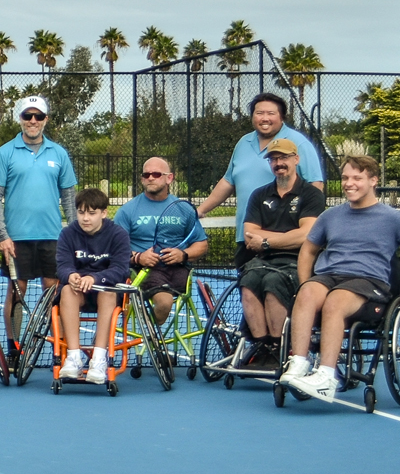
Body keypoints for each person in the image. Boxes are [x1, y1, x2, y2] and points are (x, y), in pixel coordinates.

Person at [278, 154, 400, 403]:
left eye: (357, 178)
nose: (349, 183)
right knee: (306, 292)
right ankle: (299, 364)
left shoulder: (393, 218)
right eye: (345, 178)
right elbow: (307, 250)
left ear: (373, 180)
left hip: (369, 282)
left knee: (335, 302)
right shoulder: (330, 216)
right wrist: (306, 281)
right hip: (330, 276)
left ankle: (327, 378)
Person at [0, 95, 77, 350]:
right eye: (28, 116)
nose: (33, 121)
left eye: (38, 116)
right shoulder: (4, 153)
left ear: (46, 119)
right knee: (17, 294)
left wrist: (74, 234)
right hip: (16, 239)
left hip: (52, 238)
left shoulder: (59, 153)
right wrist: (2, 236)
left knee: (54, 292)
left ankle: (59, 347)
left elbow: (69, 198)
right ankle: (14, 347)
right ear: (21, 119)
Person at [235, 137, 325, 365]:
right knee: (248, 281)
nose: (278, 163)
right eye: (274, 159)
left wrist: (266, 241)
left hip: (299, 261)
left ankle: (278, 347)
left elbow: (306, 236)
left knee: (274, 282)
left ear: (296, 159)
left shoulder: (311, 195)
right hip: (262, 260)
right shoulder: (259, 195)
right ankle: (262, 344)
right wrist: (287, 237)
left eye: (284, 157)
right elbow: (249, 234)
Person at [196, 92, 326, 223]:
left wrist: (309, 225)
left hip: (285, 236)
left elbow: (315, 184)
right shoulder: (243, 143)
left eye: (271, 113)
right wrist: (200, 210)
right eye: (259, 113)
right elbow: (228, 182)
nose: (265, 118)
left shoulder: (299, 143)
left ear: (282, 117)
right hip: (246, 234)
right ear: (252, 117)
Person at [115, 157, 209, 326]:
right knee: (164, 302)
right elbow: (115, 248)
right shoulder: (127, 211)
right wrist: (138, 257)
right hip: (143, 272)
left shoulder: (184, 209)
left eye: (156, 174)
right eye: (146, 174)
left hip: (179, 271)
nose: (150, 178)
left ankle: (150, 336)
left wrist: (183, 255)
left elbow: (201, 244)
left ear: (169, 178)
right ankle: (150, 337)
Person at [55, 187, 131, 384]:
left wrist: (96, 279)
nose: (85, 218)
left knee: (107, 291)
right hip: (78, 292)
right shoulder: (67, 234)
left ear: (104, 213)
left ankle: (98, 359)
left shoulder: (118, 235)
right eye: (81, 212)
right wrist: (71, 275)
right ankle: (73, 358)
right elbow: (62, 266)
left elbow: (121, 269)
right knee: (66, 290)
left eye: (91, 213)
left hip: (106, 292)